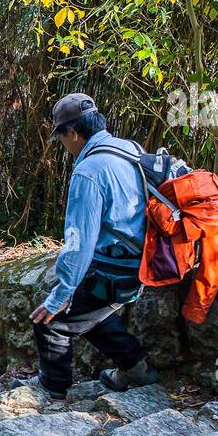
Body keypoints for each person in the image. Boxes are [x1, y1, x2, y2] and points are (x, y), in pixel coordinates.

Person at [21, 92, 160, 400]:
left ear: (71, 133)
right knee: (90, 315)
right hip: (142, 261)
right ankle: (135, 366)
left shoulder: (89, 171)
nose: (65, 148)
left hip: (116, 271)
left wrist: (62, 292)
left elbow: (78, 241)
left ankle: (51, 390)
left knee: (52, 321)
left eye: (62, 140)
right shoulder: (128, 149)